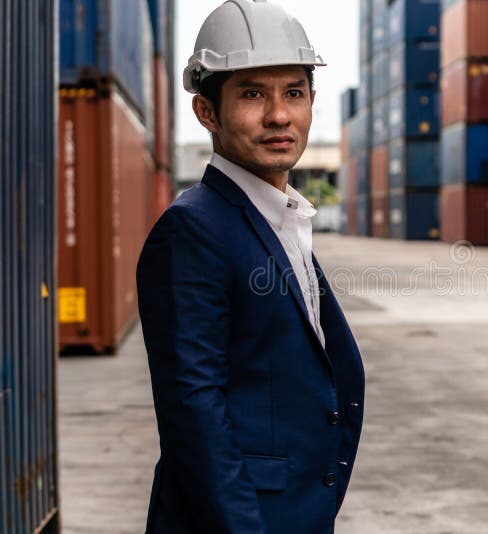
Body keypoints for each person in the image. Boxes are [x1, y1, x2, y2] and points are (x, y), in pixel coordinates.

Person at [136, 1, 365, 532]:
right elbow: (194, 414)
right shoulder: (193, 229)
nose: (279, 115)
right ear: (207, 112)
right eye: (253, 94)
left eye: (294, 93)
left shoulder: (280, 220)